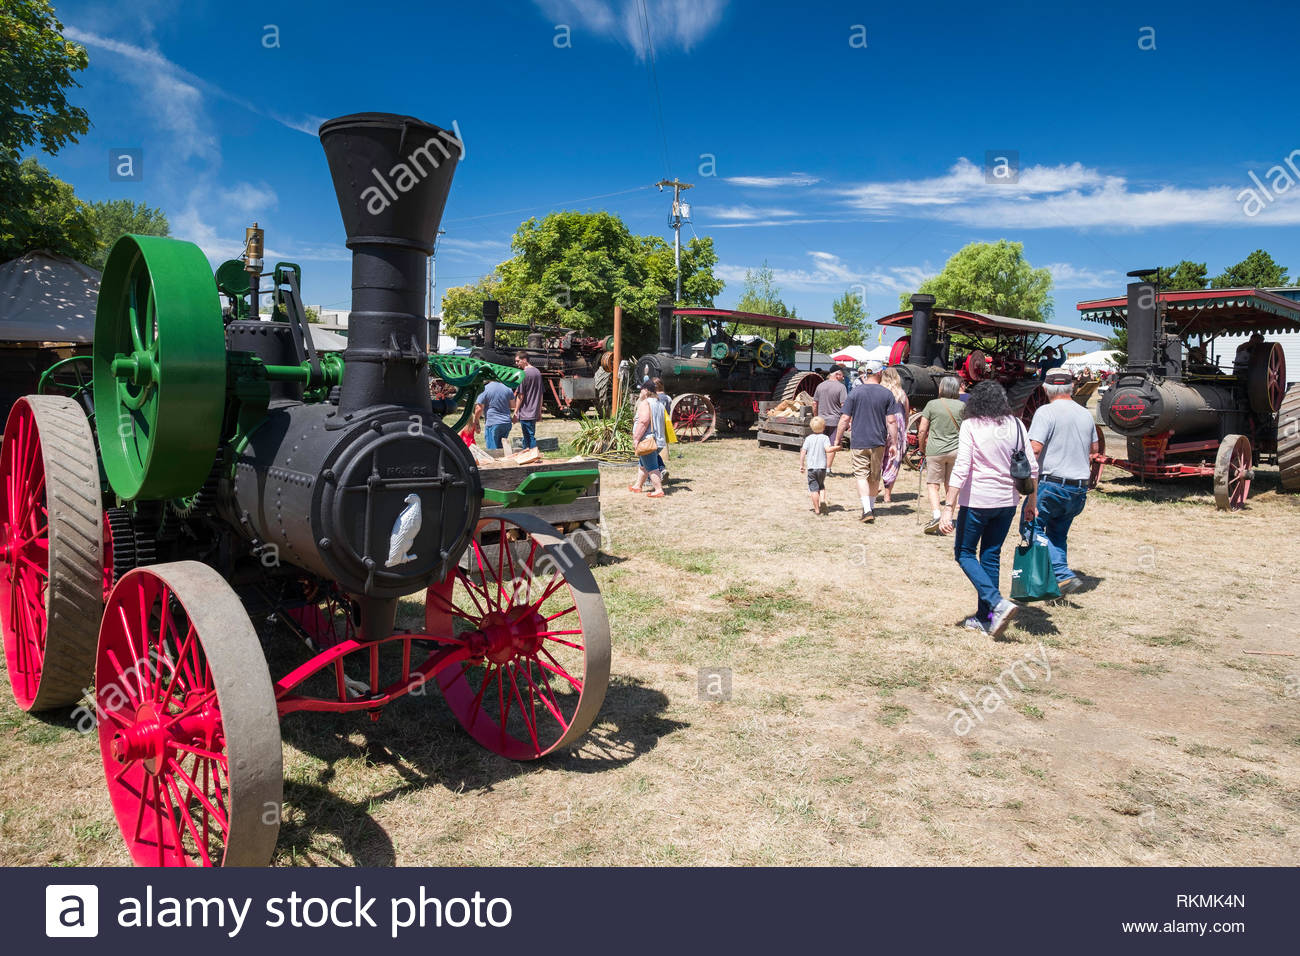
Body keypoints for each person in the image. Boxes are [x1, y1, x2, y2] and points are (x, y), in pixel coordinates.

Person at [938, 381, 1039, 636]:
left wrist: (948, 506)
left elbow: (962, 466)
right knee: (991, 556)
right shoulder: (1016, 424)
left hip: (978, 501)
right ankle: (987, 619)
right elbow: (1032, 466)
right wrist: (1032, 502)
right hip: (1008, 501)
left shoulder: (972, 425)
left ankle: (996, 603)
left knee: (964, 553)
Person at [1023, 369, 1098, 595]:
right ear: (1072, 388)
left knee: (1031, 527)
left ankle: (1061, 573)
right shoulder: (1085, 414)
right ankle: (1057, 581)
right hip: (1077, 488)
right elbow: (1094, 450)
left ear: (1045, 389)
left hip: (1051, 484)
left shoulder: (1045, 412)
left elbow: (1034, 451)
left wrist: (1030, 494)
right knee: (1057, 534)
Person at [833, 362, 900, 523]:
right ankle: (871, 507)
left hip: (859, 440)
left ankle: (867, 510)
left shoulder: (855, 393)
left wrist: (837, 439)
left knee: (861, 475)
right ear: (879, 374)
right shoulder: (887, 394)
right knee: (875, 475)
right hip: (878, 441)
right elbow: (891, 421)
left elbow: (844, 418)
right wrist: (894, 443)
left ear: (866, 374)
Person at [918, 375, 965, 534]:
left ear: (942, 388)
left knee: (933, 484)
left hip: (935, 450)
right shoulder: (961, 406)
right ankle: (949, 516)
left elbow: (922, 429)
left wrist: (921, 447)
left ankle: (937, 515)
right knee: (951, 484)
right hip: (956, 450)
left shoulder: (932, 404)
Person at [879, 367, 911, 503]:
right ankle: (887, 495)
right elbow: (907, 413)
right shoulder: (901, 393)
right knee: (893, 461)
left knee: (878, 458)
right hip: (897, 428)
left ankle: (873, 488)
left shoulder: (880, 392)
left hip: (881, 424)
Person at [630, 382, 665, 498]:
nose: (640, 392)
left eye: (641, 390)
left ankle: (658, 489)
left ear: (645, 390)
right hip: (658, 440)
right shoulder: (659, 403)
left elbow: (643, 421)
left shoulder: (646, 403)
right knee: (643, 464)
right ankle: (637, 486)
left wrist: (636, 438)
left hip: (647, 440)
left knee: (651, 467)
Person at [800, 416, 837, 514]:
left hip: (812, 468)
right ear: (824, 427)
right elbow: (828, 450)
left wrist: (802, 465)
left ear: (811, 427)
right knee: (821, 485)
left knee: (813, 489)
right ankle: (823, 500)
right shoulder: (825, 438)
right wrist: (836, 448)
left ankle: (817, 509)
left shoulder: (808, 438)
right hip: (822, 468)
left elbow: (803, 452)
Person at [471, 377, 515, 450]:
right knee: (502, 449)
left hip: (493, 423)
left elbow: (479, 408)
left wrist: (476, 421)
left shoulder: (485, 389)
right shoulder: (507, 388)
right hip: (506, 423)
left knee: (493, 451)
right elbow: (513, 405)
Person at [512, 351, 544, 449]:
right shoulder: (537, 372)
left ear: (524, 360)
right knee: (529, 436)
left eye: (518, 361)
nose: (516, 364)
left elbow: (520, 396)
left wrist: (515, 412)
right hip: (534, 411)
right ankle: (529, 455)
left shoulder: (523, 374)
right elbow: (541, 394)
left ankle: (532, 455)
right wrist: (539, 411)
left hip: (526, 412)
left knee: (528, 437)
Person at [812, 366, 847, 431]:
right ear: (837, 375)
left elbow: (814, 404)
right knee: (832, 441)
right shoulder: (842, 387)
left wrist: (816, 418)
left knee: (822, 441)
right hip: (834, 422)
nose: (843, 378)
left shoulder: (820, 386)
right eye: (842, 375)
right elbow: (844, 406)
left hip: (821, 422)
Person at [653, 377, 672, 474]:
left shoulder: (654, 399)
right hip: (664, 424)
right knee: (653, 452)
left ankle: (661, 468)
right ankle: (661, 468)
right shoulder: (668, 398)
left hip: (655, 426)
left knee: (651, 452)